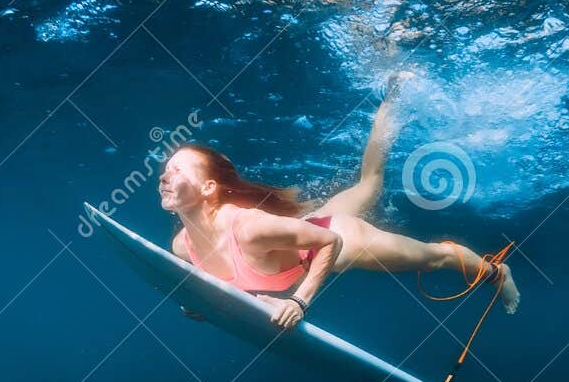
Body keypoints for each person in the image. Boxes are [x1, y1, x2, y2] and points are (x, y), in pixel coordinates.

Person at [156, 78, 519, 330]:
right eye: (165, 169)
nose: (164, 176)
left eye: (177, 170)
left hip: (342, 239)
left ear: (208, 188)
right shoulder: (183, 248)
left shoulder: (250, 227)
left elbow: (331, 241)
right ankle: (394, 96)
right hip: (311, 225)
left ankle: (496, 272)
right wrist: (201, 306)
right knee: (369, 182)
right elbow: (223, 282)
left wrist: (298, 302)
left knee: (434, 257)